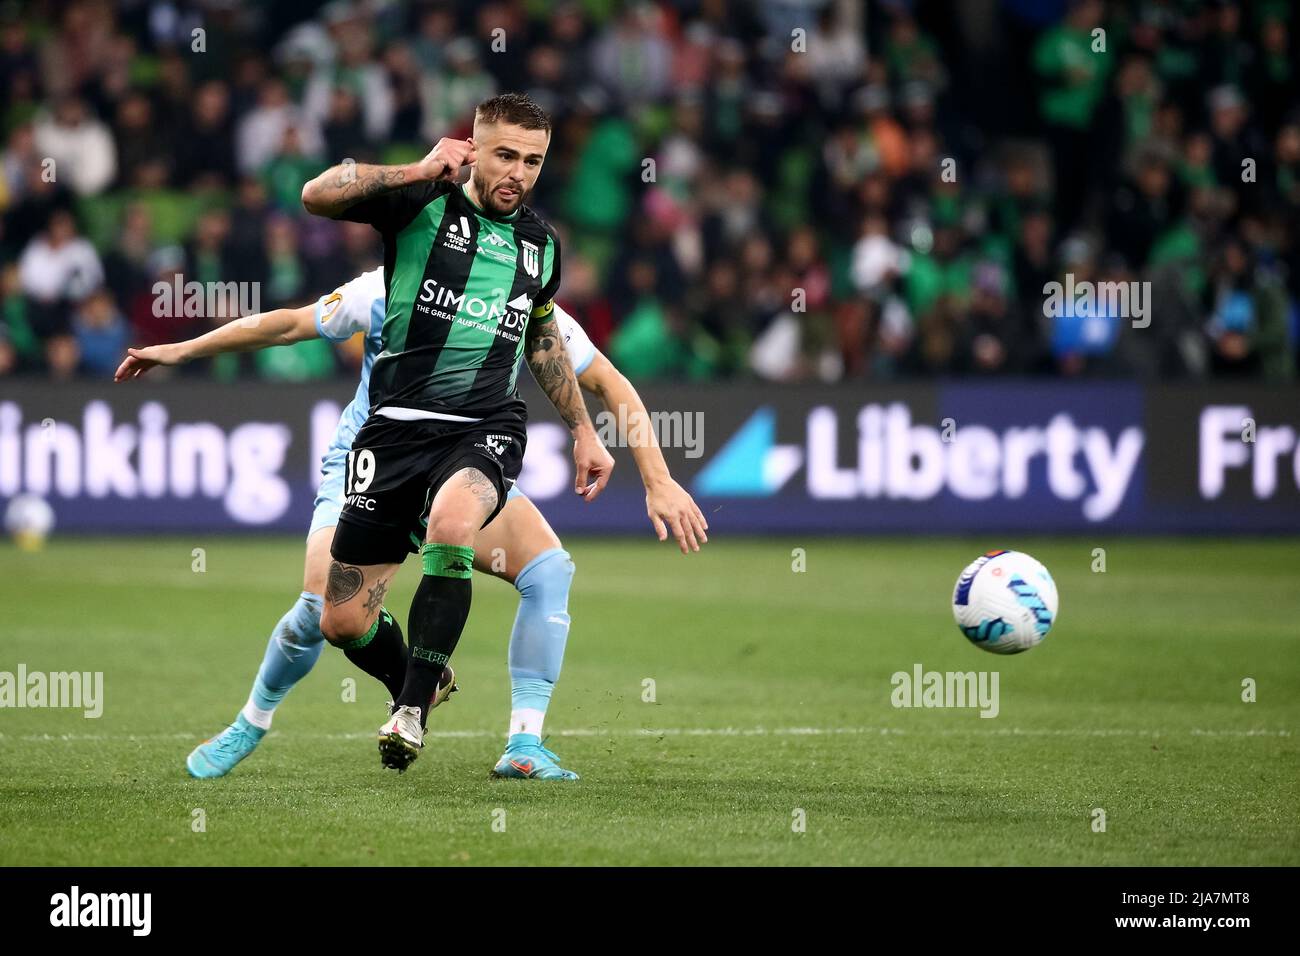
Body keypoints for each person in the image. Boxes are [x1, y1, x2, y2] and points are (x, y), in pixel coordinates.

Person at [117, 270, 707, 779]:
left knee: (548, 571)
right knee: (329, 614)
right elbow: (288, 324)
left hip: (461, 461)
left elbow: (609, 382)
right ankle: (256, 721)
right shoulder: (388, 286)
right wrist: (180, 350)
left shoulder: (518, 289)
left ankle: (524, 744)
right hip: (371, 463)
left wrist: (657, 480)